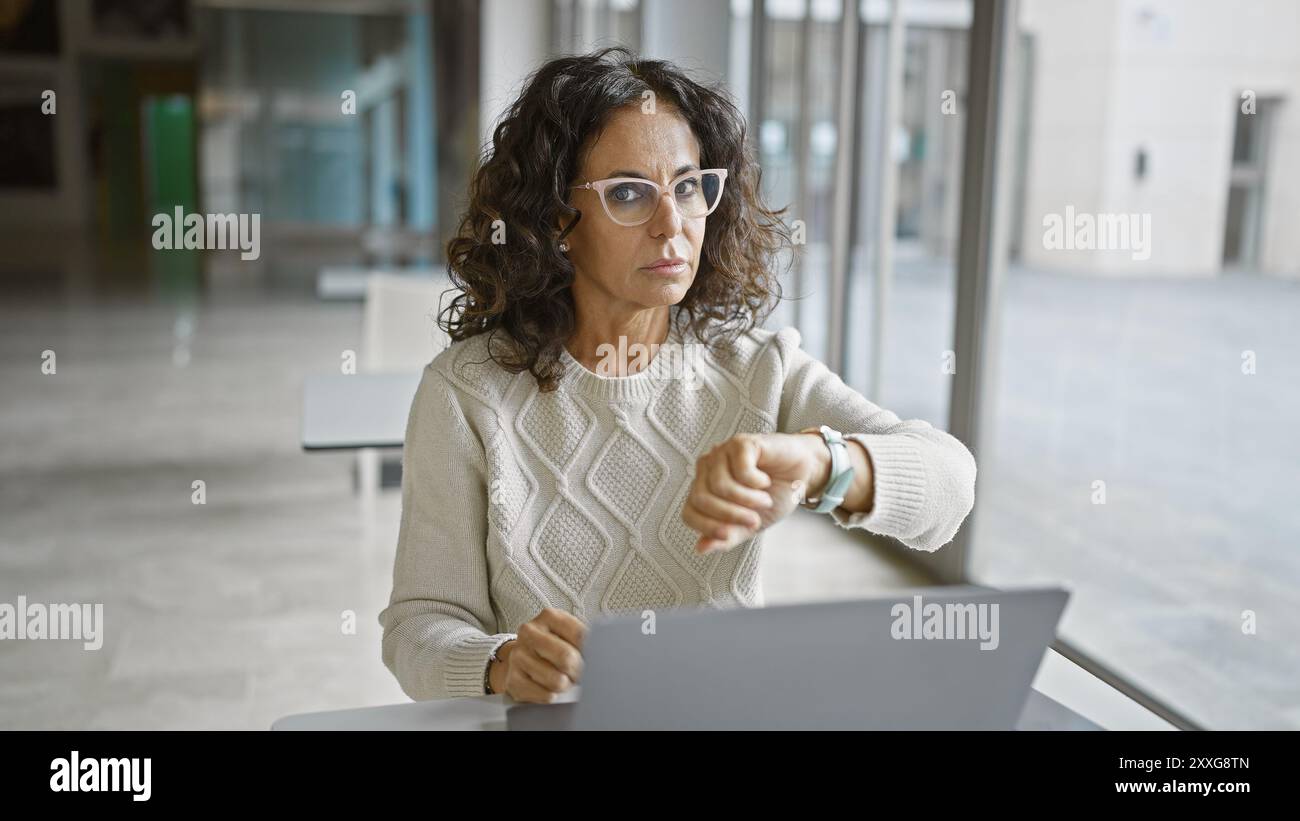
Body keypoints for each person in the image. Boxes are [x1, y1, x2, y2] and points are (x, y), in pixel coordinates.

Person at [379, 46, 976, 703]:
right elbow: (419, 625)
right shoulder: (467, 395)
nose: (672, 225)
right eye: (630, 193)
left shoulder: (754, 369)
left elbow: (950, 487)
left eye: (689, 186)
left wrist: (819, 463)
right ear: (556, 221)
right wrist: (500, 664)